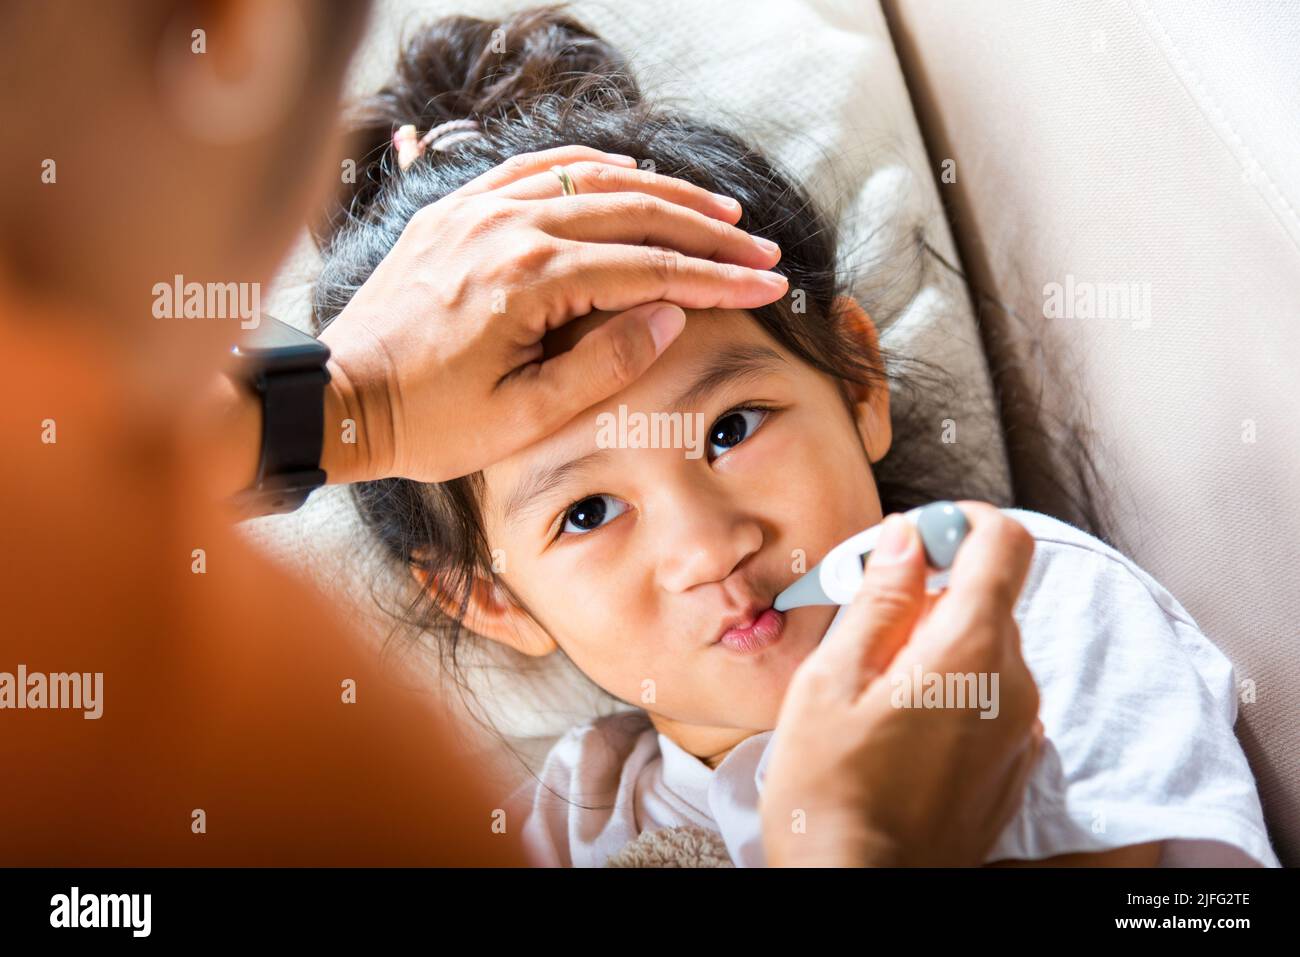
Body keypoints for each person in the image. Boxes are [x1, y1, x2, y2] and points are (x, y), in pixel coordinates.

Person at [0, 0, 1041, 865]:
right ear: (486, 595)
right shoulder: (574, 811)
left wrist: (350, 408)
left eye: (730, 428)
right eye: (587, 510)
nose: (705, 546)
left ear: (857, 377)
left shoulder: (1016, 626)